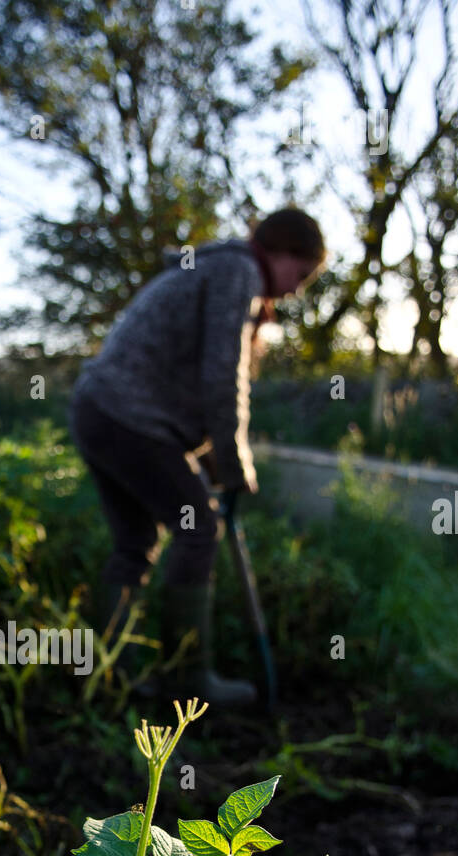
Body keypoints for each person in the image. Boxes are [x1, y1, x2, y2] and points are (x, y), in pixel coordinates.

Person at [68, 206, 327, 707]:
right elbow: (220, 375)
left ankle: (104, 679)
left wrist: (212, 459)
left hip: (101, 410)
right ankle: (186, 684)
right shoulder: (238, 271)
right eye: (303, 274)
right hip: (128, 417)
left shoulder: (219, 267)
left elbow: (190, 376)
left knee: (135, 542)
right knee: (198, 530)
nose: (297, 289)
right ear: (282, 251)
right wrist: (233, 463)